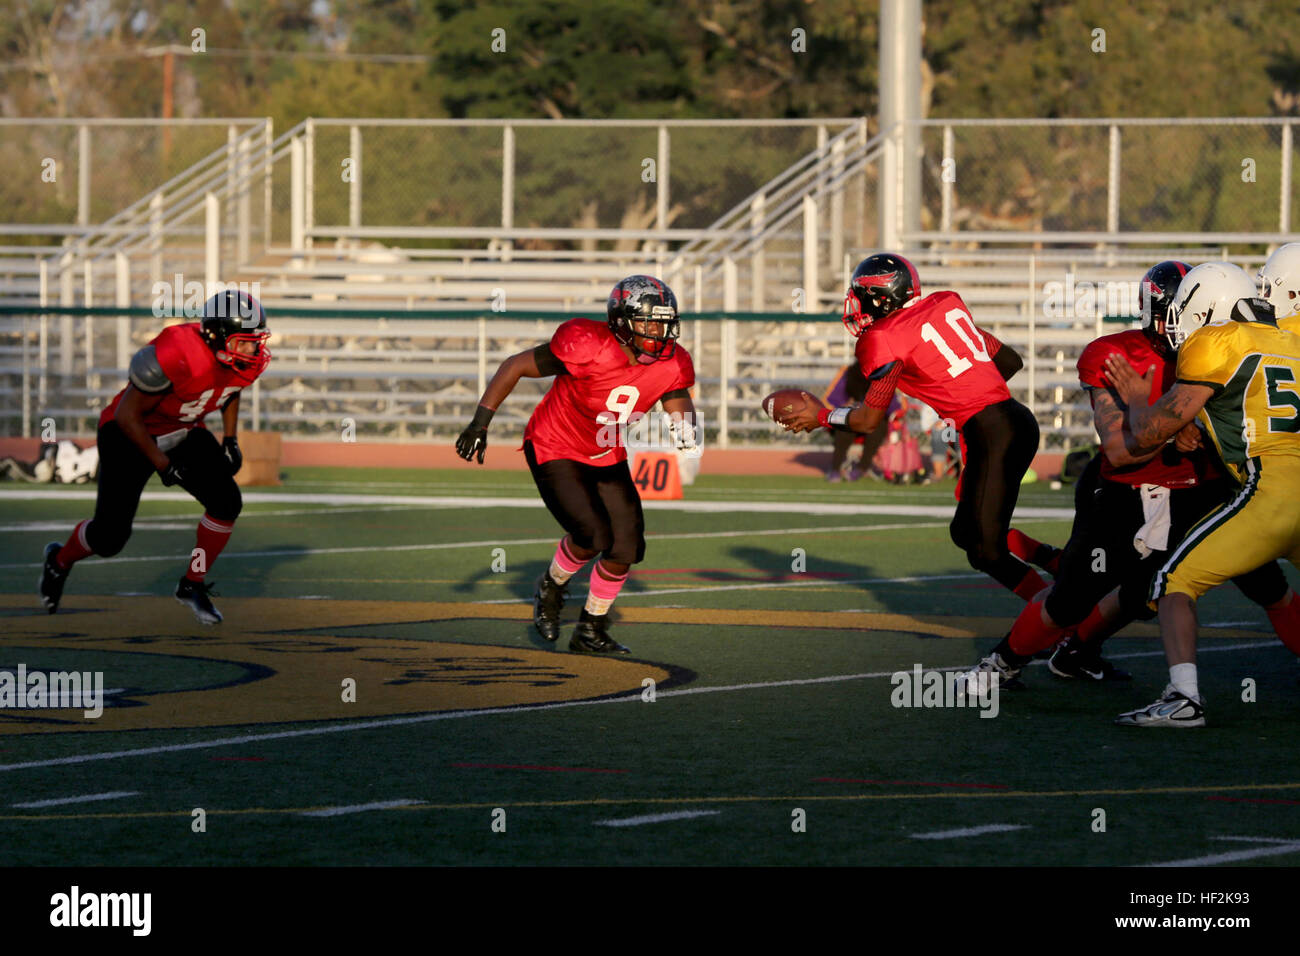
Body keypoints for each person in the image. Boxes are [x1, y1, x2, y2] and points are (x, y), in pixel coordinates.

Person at [957, 262, 1295, 690]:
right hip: (1126, 491)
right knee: (1071, 598)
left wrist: (1195, 434)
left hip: (1205, 488)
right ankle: (1001, 663)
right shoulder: (1115, 353)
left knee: (1255, 586)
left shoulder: (1228, 346)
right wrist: (1171, 432)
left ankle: (1077, 651)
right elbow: (1119, 451)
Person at [455, 275, 697, 654]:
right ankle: (552, 585)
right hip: (555, 446)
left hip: (606, 452)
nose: (659, 331)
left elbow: (676, 393)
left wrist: (685, 428)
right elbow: (516, 365)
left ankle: (590, 629)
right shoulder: (587, 345)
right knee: (592, 536)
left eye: (664, 322)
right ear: (620, 322)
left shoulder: (673, 361)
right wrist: (480, 422)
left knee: (626, 548)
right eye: (649, 322)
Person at [784, 253, 1047, 600]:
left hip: (992, 432)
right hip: (1014, 421)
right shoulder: (945, 304)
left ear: (880, 298)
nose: (855, 303)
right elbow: (1011, 362)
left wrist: (822, 416)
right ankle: (1057, 571)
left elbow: (868, 420)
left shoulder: (882, 337)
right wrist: (957, 392)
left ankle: (1061, 619)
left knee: (986, 550)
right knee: (966, 533)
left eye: (860, 294)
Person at [1105, 262, 1300, 726]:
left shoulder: (1215, 341)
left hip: (1270, 492)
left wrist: (1136, 398)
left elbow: (1151, 432)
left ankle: (1183, 698)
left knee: (1174, 582)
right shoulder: (1290, 339)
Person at [38, 289, 272, 624]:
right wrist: (164, 465)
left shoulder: (242, 357)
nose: (254, 348)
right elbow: (126, 415)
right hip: (130, 435)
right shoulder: (176, 352)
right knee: (110, 538)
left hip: (183, 428)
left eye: (255, 339)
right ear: (215, 337)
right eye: (244, 341)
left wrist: (230, 437)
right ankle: (58, 561)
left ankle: (192, 584)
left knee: (226, 503)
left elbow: (230, 388)